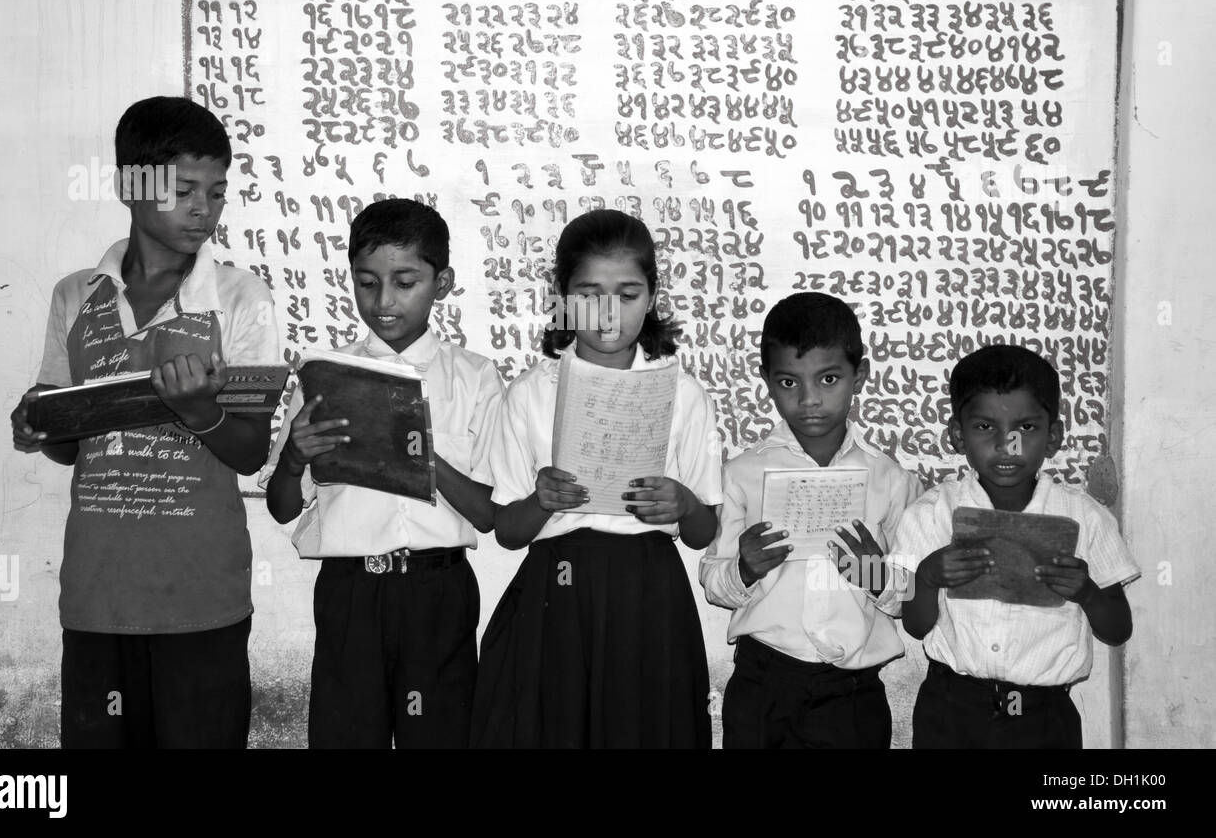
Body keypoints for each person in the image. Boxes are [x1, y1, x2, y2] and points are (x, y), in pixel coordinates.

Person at [10, 95, 280, 748]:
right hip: (98, 598)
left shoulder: (242, 299)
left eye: (216, 192)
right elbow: (71, 450)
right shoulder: (76, 295)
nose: (204, 210)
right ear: (132, 187)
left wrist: (200, 412)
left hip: (202, 601)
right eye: (184, 190)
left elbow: (249, 451)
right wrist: (39, 426)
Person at [471, 209, 722, 748]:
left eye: (628, 294)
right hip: (557, 596)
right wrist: (542, 499)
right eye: (589, 293)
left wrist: (681, 504)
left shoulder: (683, 394)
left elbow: (704, 533)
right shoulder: (531, 392)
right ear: (562, 297)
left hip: (648, 593)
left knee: (644, 729)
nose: (609, 313)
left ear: (652, 298)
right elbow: (508, 532)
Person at [263, 198, 502, 749]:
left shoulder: (473, 378)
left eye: (405, 281)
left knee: (440, 735)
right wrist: (296, 457)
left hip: (437, 589)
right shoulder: (327, 377)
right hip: (351, 593)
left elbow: (489, 515)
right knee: (347, 735)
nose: (384, 301)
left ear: (440, 284)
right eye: (367, 282)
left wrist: (422, 457)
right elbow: (282, 506)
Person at [701, 292, 922, 748]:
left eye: (828, 379)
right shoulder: (742, 474)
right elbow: (713, 581)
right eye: (788, 382)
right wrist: (743, 568)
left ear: (859, 375)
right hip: (763, 681)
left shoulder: (890, 479)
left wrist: (874, 574)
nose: (808, 400)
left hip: (853, 692)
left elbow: (911, 595)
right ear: (765, 380)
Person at [893, 343, 1138, 748]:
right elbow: (916, 627)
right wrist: (929, 576)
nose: (1008, 445)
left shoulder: (1085, 517)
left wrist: (1087, 593)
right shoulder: (932, 513)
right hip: (952, 709)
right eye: (985, 427)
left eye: (1026, 427)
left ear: (1054, 435)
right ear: (958, 434)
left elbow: (1118, 630)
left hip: (1042, 717)